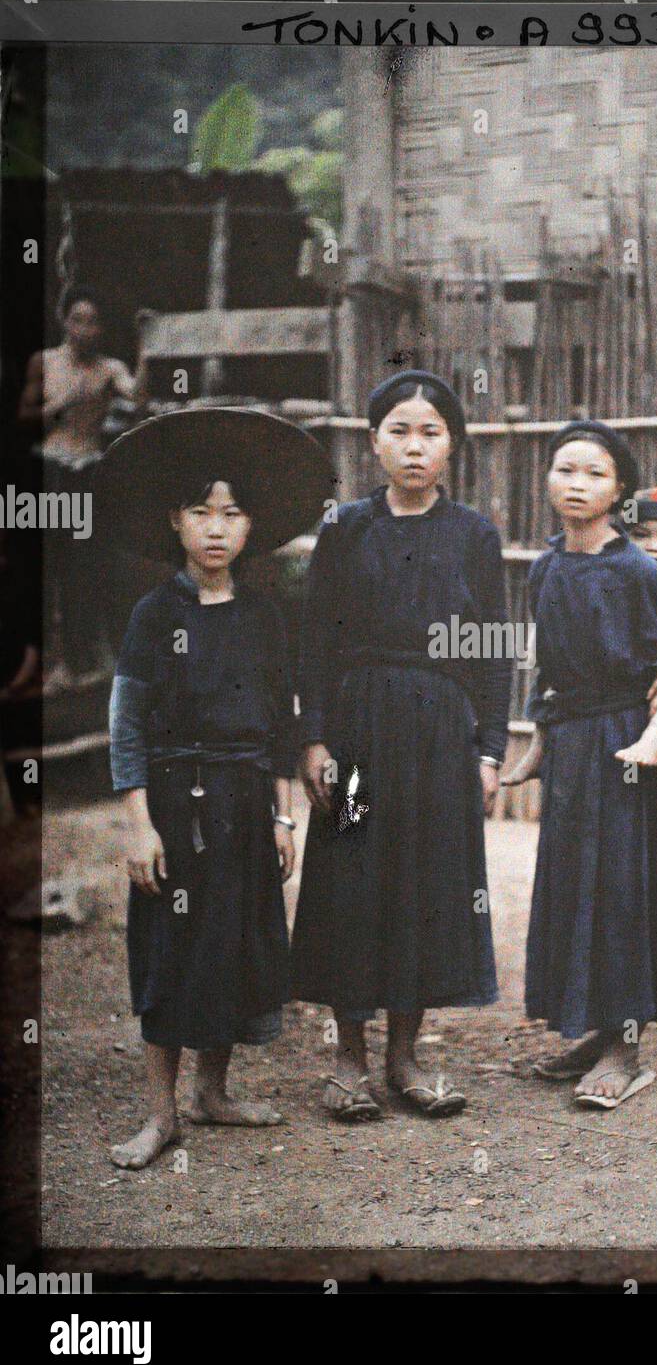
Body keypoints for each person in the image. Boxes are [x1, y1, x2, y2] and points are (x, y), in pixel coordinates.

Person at [100, 407, 332, 1168]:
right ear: (175, 520)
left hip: (241, 802)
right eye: (200, 511)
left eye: (231, 514)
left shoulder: (266, 616)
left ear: (250, 526)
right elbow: (128, 723)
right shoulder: (151, 614)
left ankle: (213, 1092)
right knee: (169, 951)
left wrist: (282, 817)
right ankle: (161, 1114)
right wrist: (139, 823)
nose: (215, 529)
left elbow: (277, 727)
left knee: (232, 943)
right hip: (172, 801)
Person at [291, 370, 511, 1121]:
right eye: (399, 430)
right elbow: (315, 638)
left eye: (431, 432)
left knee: (425, 880)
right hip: (356, 732)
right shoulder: (344, 528)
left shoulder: (475, 536)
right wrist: (314, 737)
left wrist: (487, 751)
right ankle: (349, 1060)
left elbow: (491, 652)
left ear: (452, 445)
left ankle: (406, 1057)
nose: (415, 447)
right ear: (373, 440)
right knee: (353, 874)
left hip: (441, 737)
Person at [514, 421, 657, 1109]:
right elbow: (550, 670)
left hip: (637, 745)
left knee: (629, 888)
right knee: (580, 885)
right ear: (547, 479)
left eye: (595, 474)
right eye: (565, 470)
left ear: (618, 489)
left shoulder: (638, 570)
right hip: (575, 747)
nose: (577, 485)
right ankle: (596, 1029)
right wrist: (542, 742)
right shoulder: (546, 566)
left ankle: (626, 1048)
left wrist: (655, 732)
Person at [503, 481, 657, 785]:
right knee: (547, 677)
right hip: (605, 686)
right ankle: (538, 747)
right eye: (641, 535)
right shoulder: (616, 579)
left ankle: (655, 735)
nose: (653, 545)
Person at [17, 286, 149, 687]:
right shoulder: (45, 362)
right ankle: (39, 661)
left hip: (87, 470)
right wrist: (61, 405)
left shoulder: (108, 368)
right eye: (78, 320)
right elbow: (24, 417)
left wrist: (146, 348)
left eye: (93, 322)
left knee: (84, 568)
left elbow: (139, 398)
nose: (85, 329)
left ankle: (75, 662)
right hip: (50, 469)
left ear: (102, 329)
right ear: (64, 321)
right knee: (47, 563)